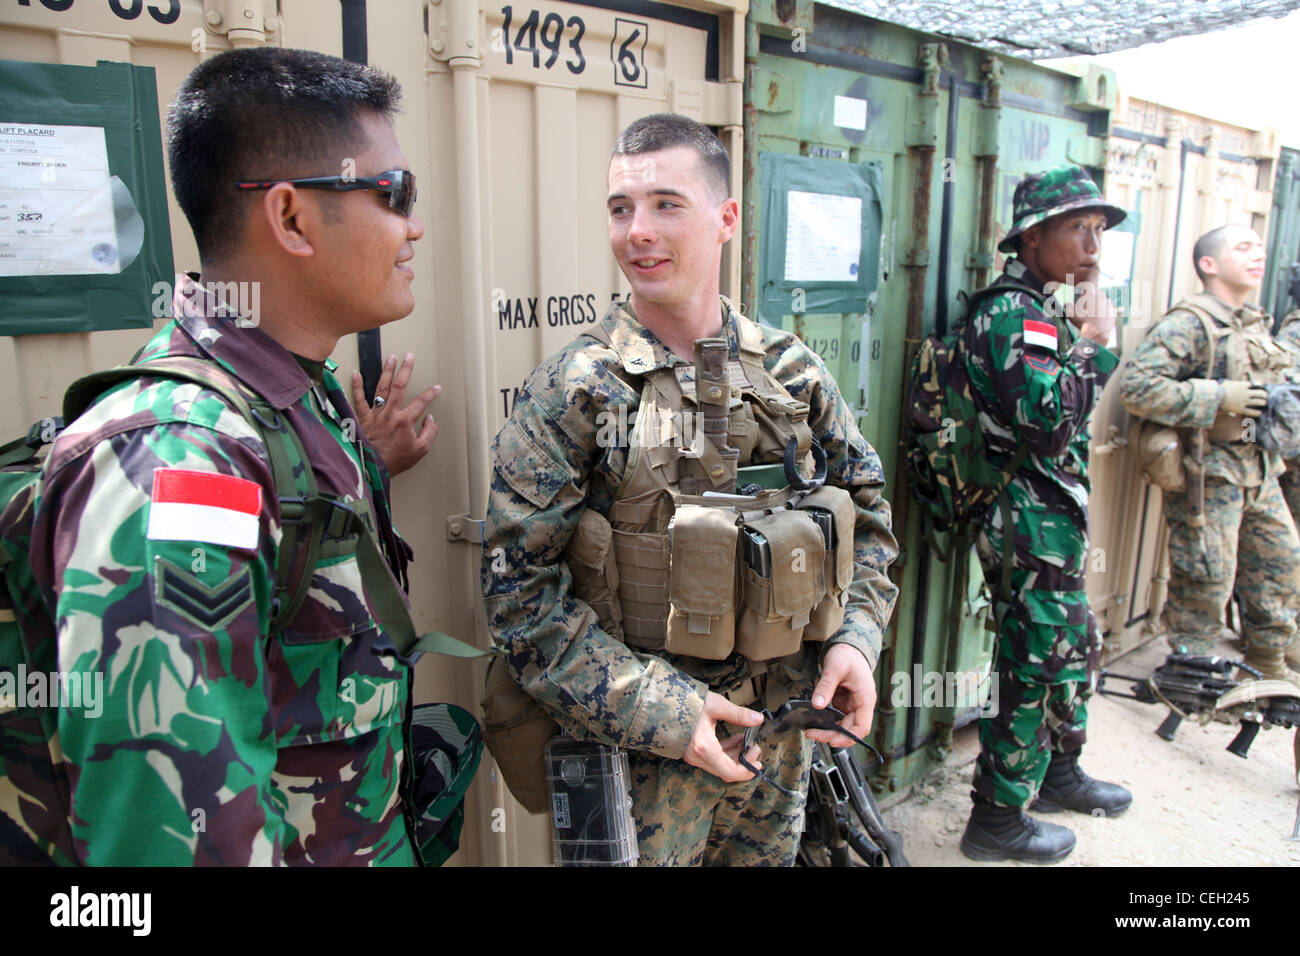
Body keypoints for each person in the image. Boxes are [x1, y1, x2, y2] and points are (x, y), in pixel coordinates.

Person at [28, 47, 440, 865]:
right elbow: (165, 841)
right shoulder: (182, 460)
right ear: (289, 217)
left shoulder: (287, 404)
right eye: (393, 193)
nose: (414, 224)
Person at [480, 114, 898, 866]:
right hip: (639, 758)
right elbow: (520, 603)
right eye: (620, 208)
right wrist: (670, 714)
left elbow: (868, 518)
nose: (637, 231)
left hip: (778, 744)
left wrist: (857, 643)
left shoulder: (792, 373)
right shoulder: (575, 391)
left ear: (726, 218)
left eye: (666, 204)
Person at [958, 165, 1133, 864]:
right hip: (1025, 520)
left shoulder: (1040, 309)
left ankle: (1058, 774)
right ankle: (997, 820)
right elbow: (1050, 424)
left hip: (1051, 518)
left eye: (1099, 230)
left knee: (1071, 647)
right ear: (1031, 237)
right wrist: (1097, 342)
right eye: (1076, 228)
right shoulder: (1015, 313)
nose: (1092, 245)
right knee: (1032, 662)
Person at [1118, 225, 1300, 687]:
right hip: (1209, 471)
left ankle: (1267, 665)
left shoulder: (1254, 323)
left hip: (1259, 468)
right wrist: (1219, 395)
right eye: (1243, 248)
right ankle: (1189, 675)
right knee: (1207, 576)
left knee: (1281, 562)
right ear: (1209, 264)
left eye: (1261, 246)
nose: (1257, 254)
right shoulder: (1190, 322)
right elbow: (1138, 389)